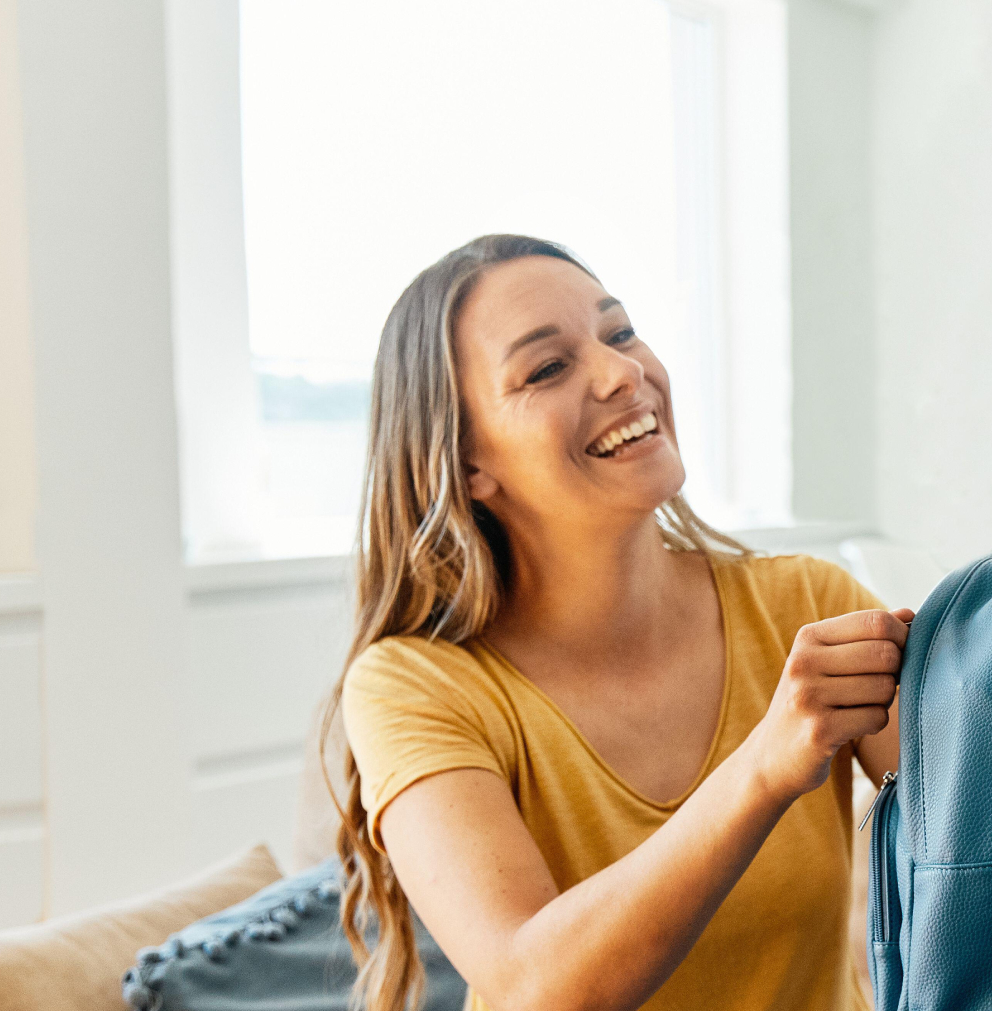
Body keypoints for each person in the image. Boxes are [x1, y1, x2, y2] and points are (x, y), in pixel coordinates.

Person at [323, 234, 906, 1011]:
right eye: (548, 368)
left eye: (620, 332)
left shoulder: (807, 605)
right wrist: (763, 768)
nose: (621, 372)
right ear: (468, 464)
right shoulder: (415, 685)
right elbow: (532, 988)